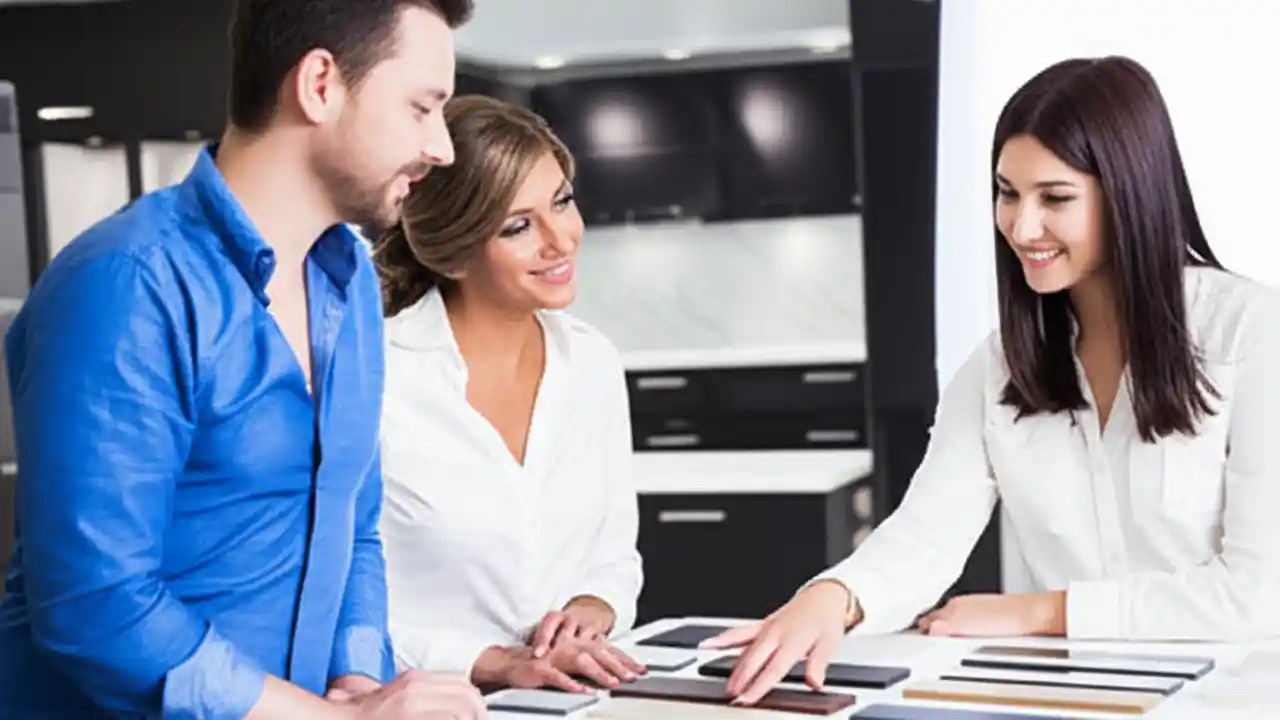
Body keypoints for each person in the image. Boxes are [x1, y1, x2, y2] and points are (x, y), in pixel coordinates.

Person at [703, 55, 1280, 705]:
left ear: (1130, 193)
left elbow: (1260, 592)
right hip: (1080, 701)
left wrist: (1040, 613)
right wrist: (831, 599)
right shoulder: (1001, 364)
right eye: (1007, 192)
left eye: (1055, 198)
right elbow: (927, 534)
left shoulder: (1252, 334)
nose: (1020, 226)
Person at [0, 1, 488, 718]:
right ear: (320, 84)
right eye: (421, 108)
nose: (441, 147)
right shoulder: (127, 282)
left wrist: (355, 678)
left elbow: (351, 524)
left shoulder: (347, 281)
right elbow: (96, 606)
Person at [372, 95, 646, 695]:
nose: (560, 241)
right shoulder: (376, 379)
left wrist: (593, 607)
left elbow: (614, 553)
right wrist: (492, 661)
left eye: (562, 201)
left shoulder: (592, 361)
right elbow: (337, 599)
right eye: (517, 227)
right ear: (455, 249)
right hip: (429, 704)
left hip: (577, 703)